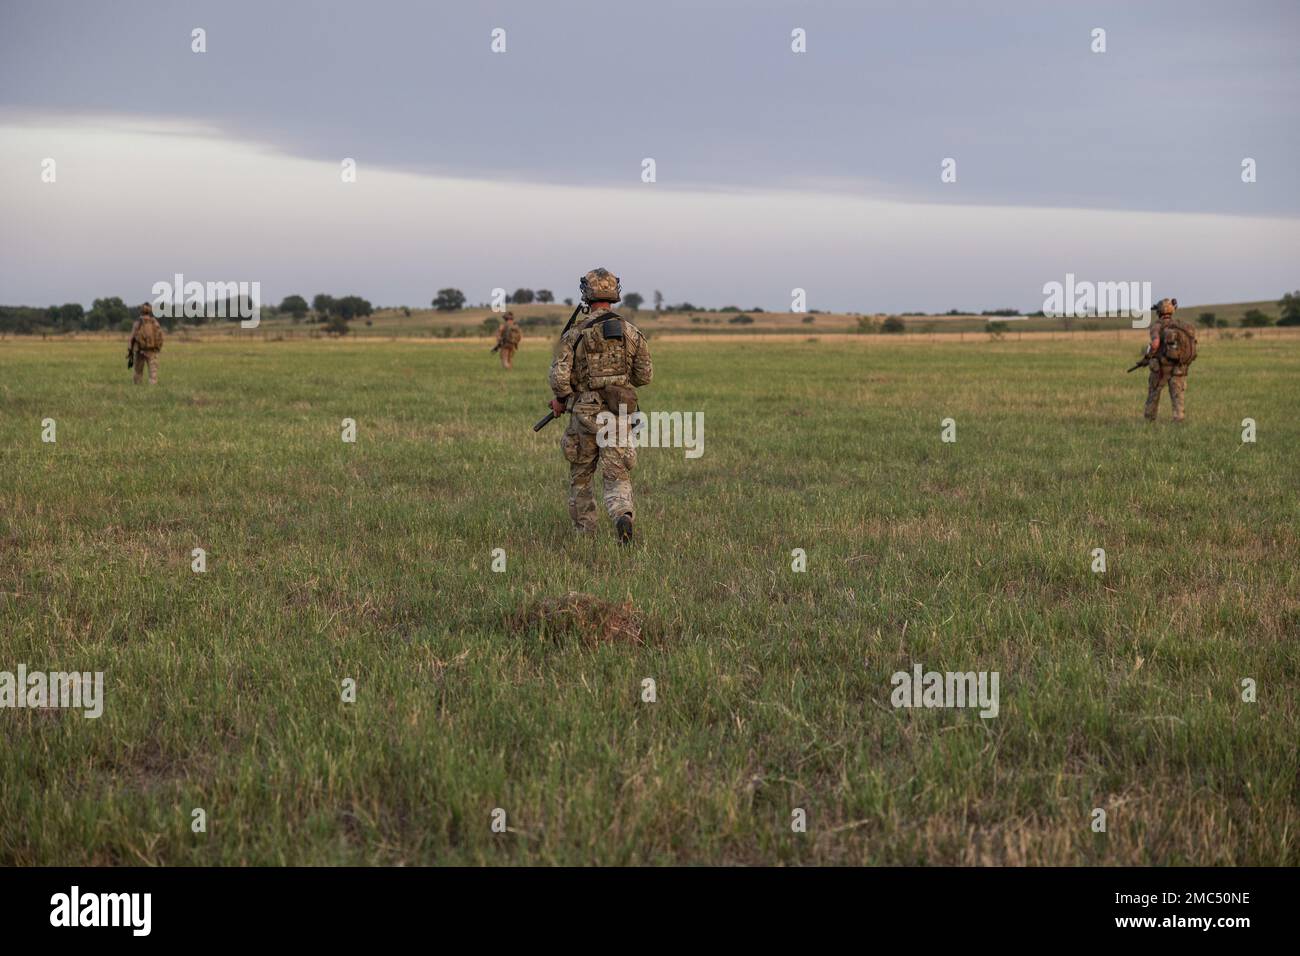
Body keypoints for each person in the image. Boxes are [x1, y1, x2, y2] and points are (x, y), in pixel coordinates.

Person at [548, 268, 653, 544]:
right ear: (614, 294)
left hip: (584, 415)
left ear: (587, 294)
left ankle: (585, 535)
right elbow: (645, 377)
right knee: (616, 475)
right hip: (619, 415)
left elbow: (559, 378)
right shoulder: (631, 332)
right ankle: (622, 516)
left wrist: (560, 401)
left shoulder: (575, 333)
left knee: (581, 478)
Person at [1143, 297, 1196, 422]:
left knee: (1154, 392)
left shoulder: (1157, 326)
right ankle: (1179, 418)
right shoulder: (1179, 325)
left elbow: (1155, 344)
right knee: (1177, 395)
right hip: (1179, 366)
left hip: (1162, 368)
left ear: (1159, 312)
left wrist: (1147, 356)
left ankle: (1149, 419)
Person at [128, 302, 164, 385]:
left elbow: (132, 337)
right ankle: (153, 386)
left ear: (141, 311)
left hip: (140, 350)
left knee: (138, 371)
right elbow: (160, 335)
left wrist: (130, 349)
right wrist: (158, 347)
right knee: (153, 371)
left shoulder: (138, 323)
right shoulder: (154, 322)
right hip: (152, 350)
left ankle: (137, 387)